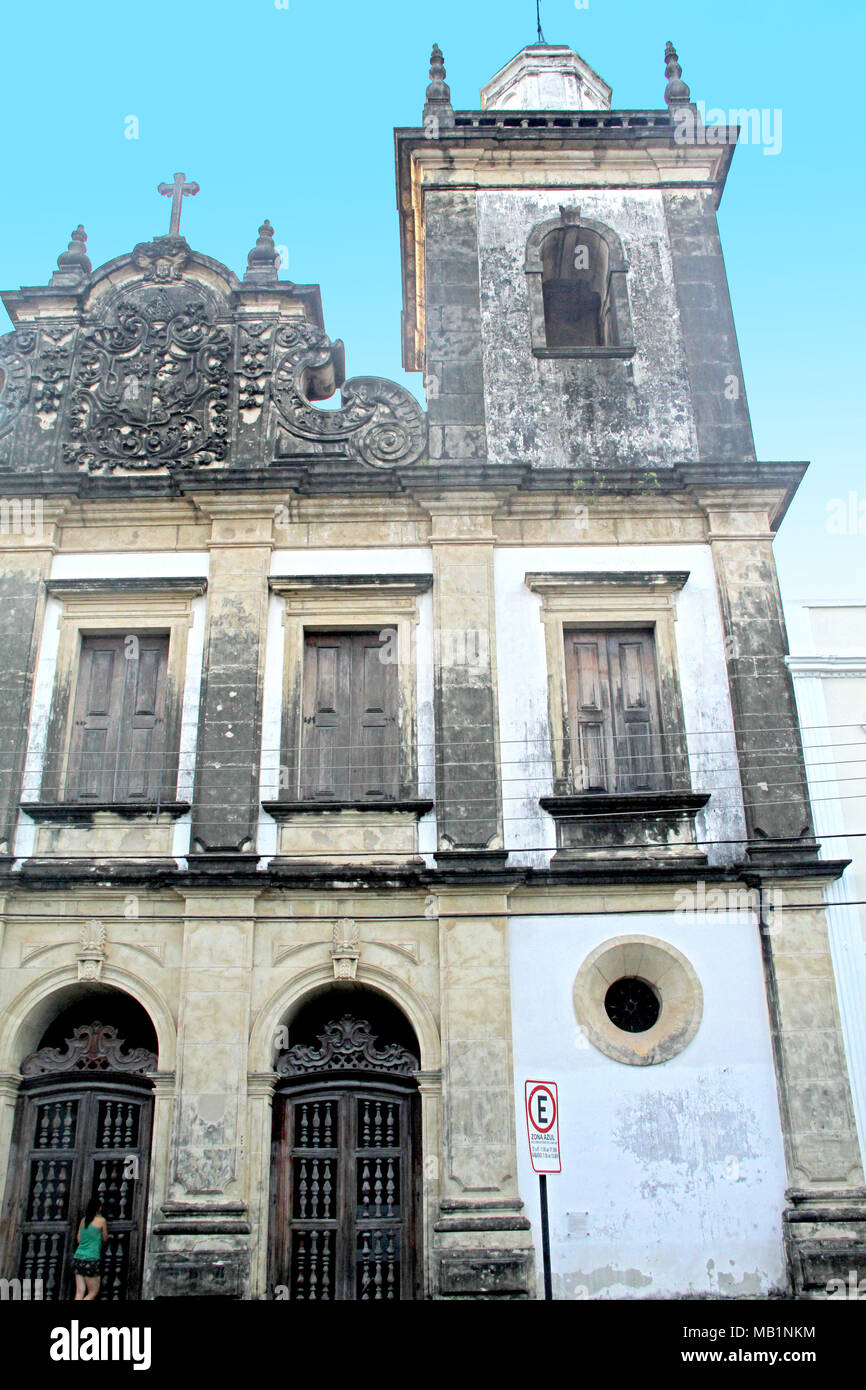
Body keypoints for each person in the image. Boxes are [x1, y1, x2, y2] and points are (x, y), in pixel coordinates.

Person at [71, 1196, 108, 1300]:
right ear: (99, 1208)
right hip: (91, 1258)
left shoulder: (84, 1220)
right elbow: (105, 1238)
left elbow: (79, 1239)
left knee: (80, 1291)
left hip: (78, 1257)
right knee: (93, 1292)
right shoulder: (102, 1221)